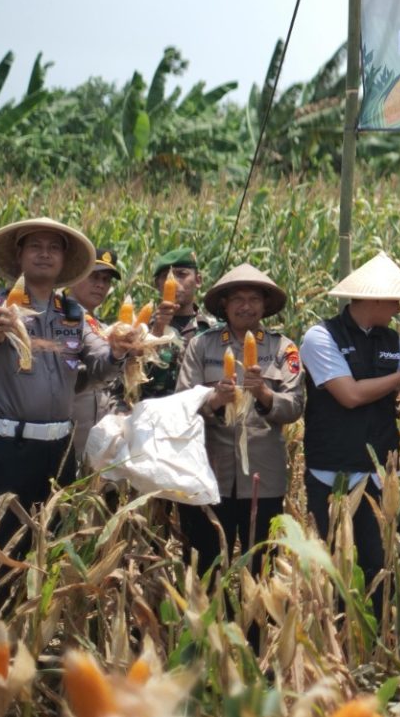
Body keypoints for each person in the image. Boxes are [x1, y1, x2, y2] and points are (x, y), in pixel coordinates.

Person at [0, 217, 133, 590]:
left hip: (58, 451)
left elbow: (98, 362)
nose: (44, 254)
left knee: (48, 549)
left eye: (53, 248)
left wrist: (119, 352)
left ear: (63, 259)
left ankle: (37, 636)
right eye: (35, 247)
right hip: (7, 448)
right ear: (20, 255)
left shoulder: (74, 315)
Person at [300, 251, 400, 605]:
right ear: (373, 298)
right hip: (332, 469)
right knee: (335, 565)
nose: (399, 309)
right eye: (395, 300)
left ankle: (371, 644)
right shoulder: (320, 337)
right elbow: (350, 395)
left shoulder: (394, 342)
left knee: (377, 565)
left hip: (378, 472)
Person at [176, 262, 305, 579]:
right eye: (237, 300)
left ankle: (256, 628)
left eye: (254, 300)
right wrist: (214, 400)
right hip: (210, 474)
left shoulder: (282, 348)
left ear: (264, 305)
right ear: (224, 304)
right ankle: (205, 626)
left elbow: (295, 406)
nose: (246, 307)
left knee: (262, 568)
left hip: (264, 478)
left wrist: (263, 393)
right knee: (205, 565)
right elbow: (183, 402)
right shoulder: (202, 345)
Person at [64, 247, 123, 458]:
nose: (100, 285)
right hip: (63, 441)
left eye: (106, 280)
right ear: (74, 276)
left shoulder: (103, 328)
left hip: (95, 444)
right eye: (94, 276)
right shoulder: (57, 318)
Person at [136, 248, 208, 402]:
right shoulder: (141, 328)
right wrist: (157, 331)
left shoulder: (212, 330)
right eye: (165, 276)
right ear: (157, 285)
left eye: (182, 274)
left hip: (198, 419)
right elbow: (131, 380)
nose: (174, 282)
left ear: (198, 280)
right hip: (152, 419)